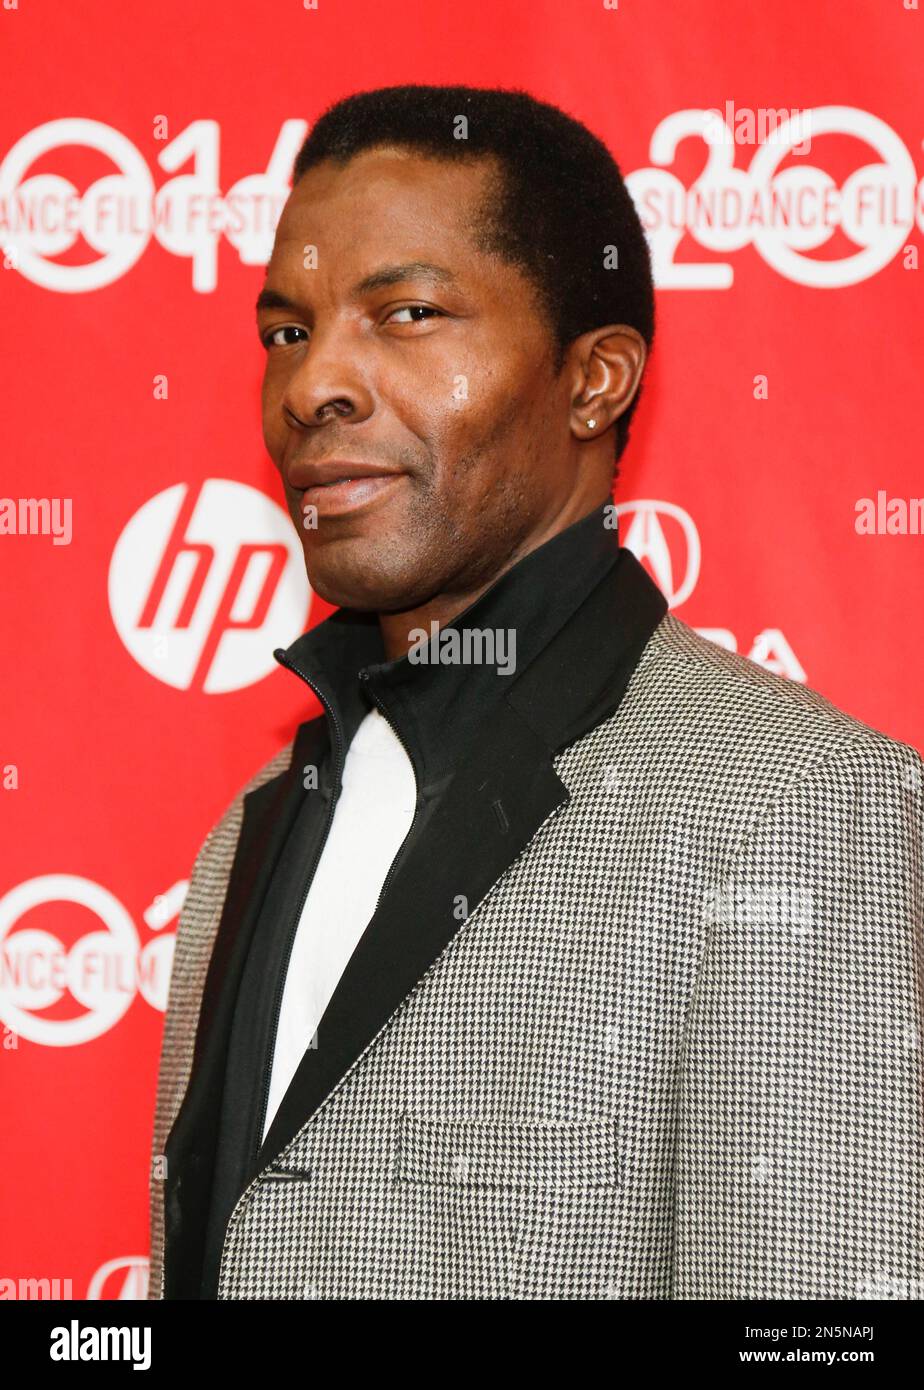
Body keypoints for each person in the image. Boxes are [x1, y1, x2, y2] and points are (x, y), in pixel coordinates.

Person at [148, 83, 924, 1301]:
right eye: (287, 333)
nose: (312, 388)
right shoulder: (256, 818)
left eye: (406, 312)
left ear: (594, 381)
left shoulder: (796, 803)